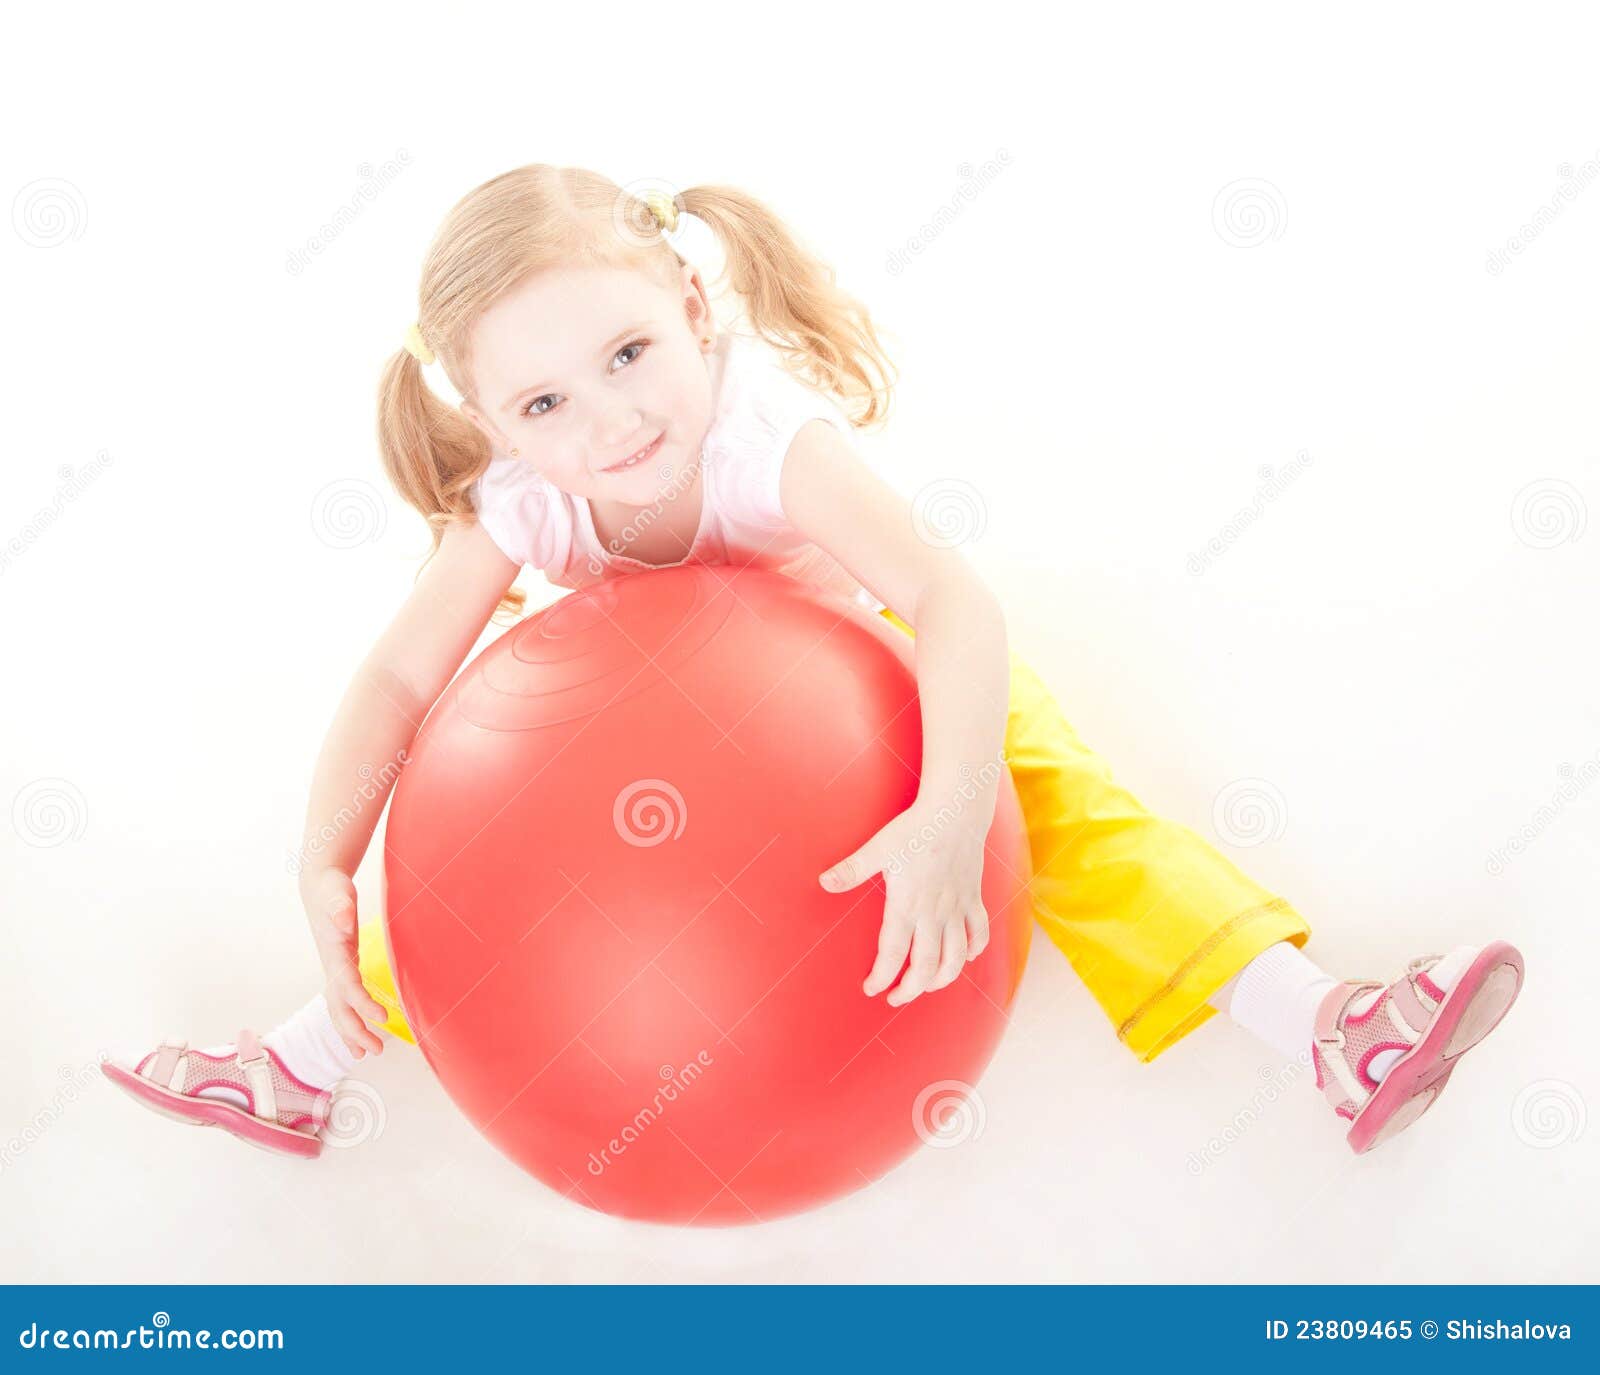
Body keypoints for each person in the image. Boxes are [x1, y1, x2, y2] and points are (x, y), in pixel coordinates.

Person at [103, 165, 1523, 1163]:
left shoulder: (761, 441)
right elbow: (404, 684)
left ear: (694, 309)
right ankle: (300, 1068)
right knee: (490, 865)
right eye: (544, 400)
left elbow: (951, 602)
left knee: (1068, 803)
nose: (608, 420)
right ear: (492, 426)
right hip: (630, 759)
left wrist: (952, 809)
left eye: (629, 352)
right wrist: (323, 852)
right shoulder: (523, 501)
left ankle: (1331, 1029)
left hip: (864, 703)